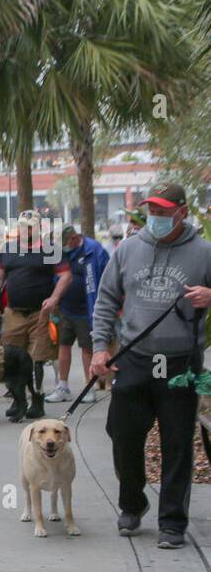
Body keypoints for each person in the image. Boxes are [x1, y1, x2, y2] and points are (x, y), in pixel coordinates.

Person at [90, 184, 211, 549]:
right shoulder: (128, 249)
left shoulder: (204, 252)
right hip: (134, 358)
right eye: (152, 211)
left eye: (163, 212)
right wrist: (100, 349)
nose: (156, 218)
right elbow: (106, 299)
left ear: (182, 212)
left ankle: (172, 521)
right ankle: (132, 503)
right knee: (121, 434)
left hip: (179, 362)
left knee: (178, 443)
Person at [0, 213, 71, 420]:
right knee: (10, 358)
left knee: (37, 359)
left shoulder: (50, 249)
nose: (26, 230)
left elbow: (66, 275)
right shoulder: (8, 249)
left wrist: (54, 298)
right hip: (14, 312)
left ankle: (37, 400)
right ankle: (18, 398)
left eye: (31, 226)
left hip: (41, 313)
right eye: (23, 226)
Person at [45, 226, 109, 405]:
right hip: (65, 308)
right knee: (63, 345)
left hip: (87, 310)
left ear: (74, 237)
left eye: (64, 243)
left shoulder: (94, 249)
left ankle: (90, 387)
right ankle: (62, 387)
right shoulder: (60, 252)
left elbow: (106, 275)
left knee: (87, 349)